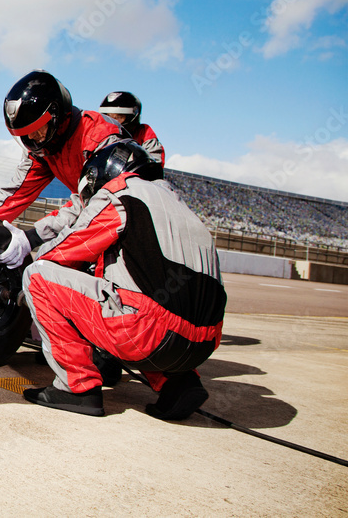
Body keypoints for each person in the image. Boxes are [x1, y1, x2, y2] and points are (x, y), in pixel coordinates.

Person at [20, 140, 227, 419]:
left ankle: (77, 387)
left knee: (37, 276)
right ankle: (179, 383)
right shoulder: (178, 204)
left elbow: (66, 251)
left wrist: (23, 284)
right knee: (153, 300)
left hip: (148, 336)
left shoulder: (120, 191)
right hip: (202, 344)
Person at [0, 70, 126, 269]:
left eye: (36, 129)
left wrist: (31, 237)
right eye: (25, 133)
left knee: (46, 265)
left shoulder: (99, 137)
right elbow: (14, 195)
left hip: (128, 219)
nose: (31, 137)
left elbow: (97, 204)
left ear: (55, 115)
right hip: (94, 214)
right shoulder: (42, 149)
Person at [99, 91, 164, 164]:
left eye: (118, 117)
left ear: (131, 118)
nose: (112, 121)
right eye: (108, 117)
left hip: (132, 170)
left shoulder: (144, 134)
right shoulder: (99, 135)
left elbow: (154, 163)